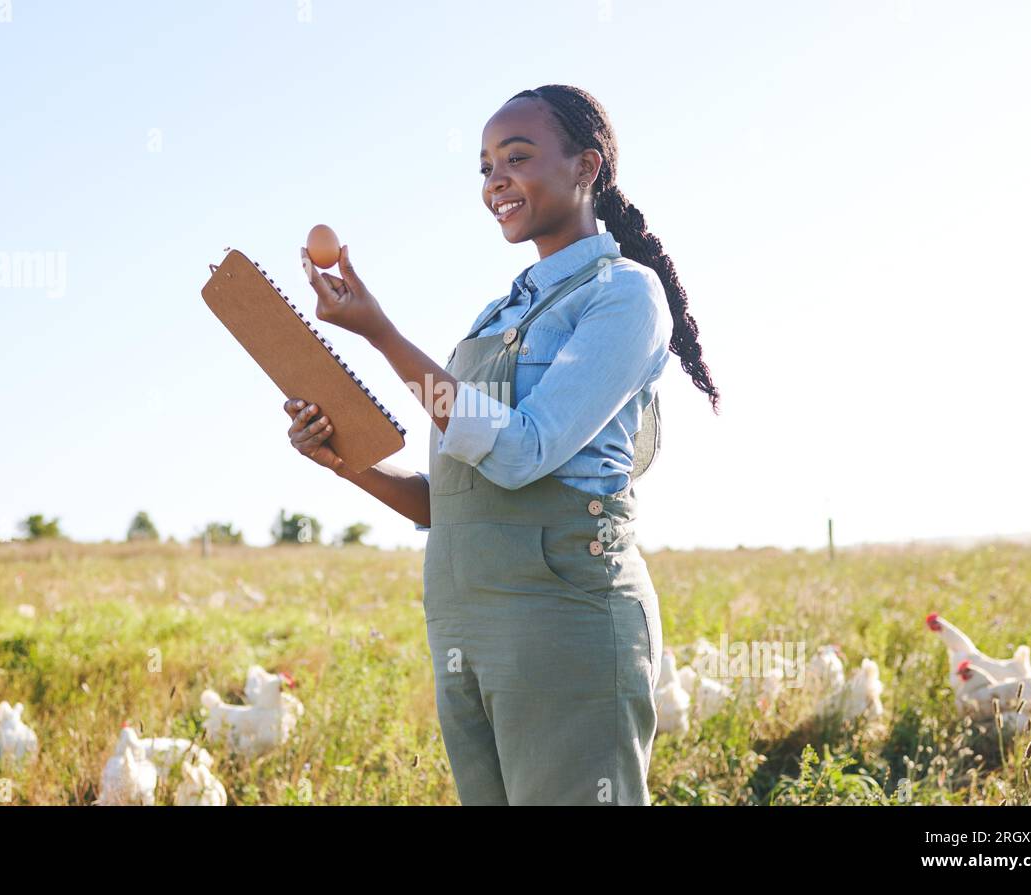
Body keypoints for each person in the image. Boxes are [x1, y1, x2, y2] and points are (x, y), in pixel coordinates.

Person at [285, 84, 720, 805]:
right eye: (485, 166)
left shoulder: (624, 296)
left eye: (515, 158)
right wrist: (343, 458)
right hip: (465, 617)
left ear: (587, 167)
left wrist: (382, 335)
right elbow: (447, 501)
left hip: (562, 618)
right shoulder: (495, 315)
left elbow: (521, 452)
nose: (495, 181)